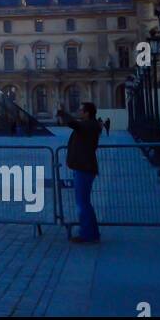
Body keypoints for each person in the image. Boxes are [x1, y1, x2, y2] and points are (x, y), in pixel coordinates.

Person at [57, 101, 102, 244]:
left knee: (82, 203)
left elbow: (74, 124)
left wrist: (63, 113)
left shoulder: (89, 126)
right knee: (85, 203)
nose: (79, 112)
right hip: (84, 167)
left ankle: (87, 234)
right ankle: (93, 233)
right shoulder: (90, 125)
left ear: (87, 113)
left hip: (84, 167)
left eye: (81, 110)